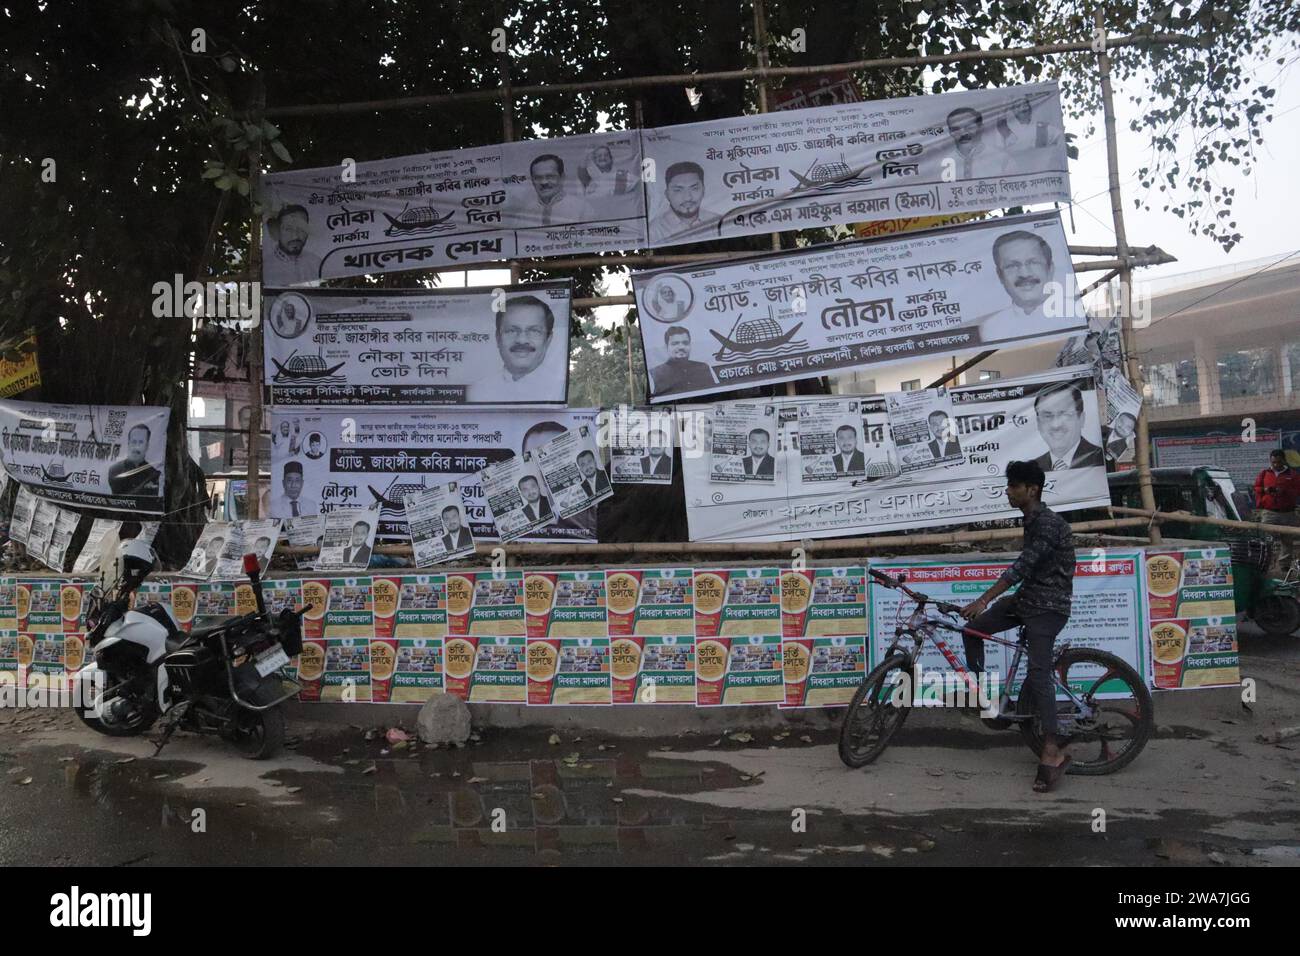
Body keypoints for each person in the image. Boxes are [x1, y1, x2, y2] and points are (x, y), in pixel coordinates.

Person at [960, 460, 1075, 793]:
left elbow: (1020, 569)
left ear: (1032, 489)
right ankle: (987, 701)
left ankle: (1052, 751)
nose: (1008, 491)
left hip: (1049, 608)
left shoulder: (1050, 524)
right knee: (972, 632)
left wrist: (983, 599)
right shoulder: (1031, 520)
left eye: (1013, 486)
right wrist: (985, 608)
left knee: (1039, 674)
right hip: (1026, 602)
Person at [468, 295, 557, 401]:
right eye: (511, 331)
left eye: (534, 331)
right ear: (498, 338)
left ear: (548, 340)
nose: (522, 340)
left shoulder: (561, 389)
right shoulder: (476, 392)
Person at [979, 230, 1058, 341]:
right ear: (1000, 276)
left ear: (1050, 269)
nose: (1024, 274)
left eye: (1033, 262)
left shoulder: (1074, 315)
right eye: (1012, 266)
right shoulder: (991, 329)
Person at [1031, 382, 1102, 471]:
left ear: (1081, 419)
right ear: (1038, 423)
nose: (1056, 425)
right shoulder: (1032, 469)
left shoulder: (1100, 459)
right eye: (1047, 416)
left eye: (1065, 415)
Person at [649, 162, 720, 243]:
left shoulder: (718, 222)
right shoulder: (653, 231)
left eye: (694, 188)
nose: (687, 197)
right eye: (678, 190)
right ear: (667, 194)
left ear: (703, 190)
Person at [1254, 449, 1300, 572]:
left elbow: (1298, 490)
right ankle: (1264, 563)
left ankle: (1284, 565)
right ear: (1270, 461)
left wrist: (1284, 491)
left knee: (1287, 540)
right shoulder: (1264, 473)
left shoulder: (1293, 474)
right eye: (1273, 462)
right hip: (1269, 513)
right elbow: (1257, 487)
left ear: (1283, 460)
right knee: (1265, 540)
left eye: (1278, 462)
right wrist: (1265, 490)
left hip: (1288, 513)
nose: (1276, 465)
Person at [522, 154, 590, 226]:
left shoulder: (582, 208)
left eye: (550, 176)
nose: (544, 182)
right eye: (538, 178)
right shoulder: (524, 213)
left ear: (562, 177)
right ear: (532, 181)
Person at [945, 107, 1010, 180]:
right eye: (956, 129)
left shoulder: (1001, 157)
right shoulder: (943, 163)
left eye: (969, 127)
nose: (963, 133)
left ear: (981, 127)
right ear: (950, 132)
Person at [649, 326, 716, 395]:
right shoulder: (655, 374)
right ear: (666, 347)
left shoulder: (703, 368)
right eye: (675, 343)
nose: (681, 347)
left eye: (685, 343)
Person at [107, 424, 162, 496]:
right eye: (134, 442)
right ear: (128, 444)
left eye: (141, 442)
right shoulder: (115, 470)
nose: (136, 447)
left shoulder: (154, 474)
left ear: (147, 446)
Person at [266, 205, 314, 284]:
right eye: (288, 229)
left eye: (302, 229)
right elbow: (252, 294)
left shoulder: (315, 262)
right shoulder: (266, 265)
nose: (295, 236)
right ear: (278, 230)